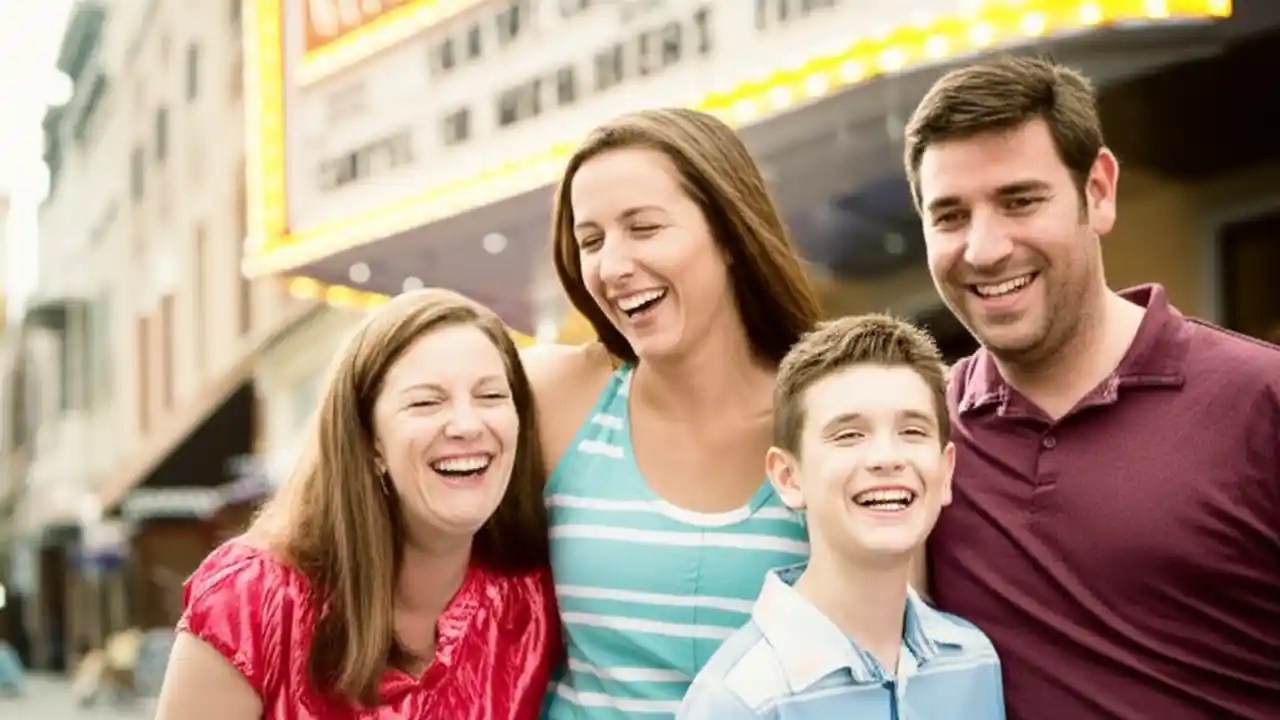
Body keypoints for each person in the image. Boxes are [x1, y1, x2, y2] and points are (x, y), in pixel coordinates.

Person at [904, 54, 1280, 719]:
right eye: (950, 216)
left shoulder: (1262, 402)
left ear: (1098, 191)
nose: (985, 249)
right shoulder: (917, 435)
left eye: (1020, 200)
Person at [523, 107, 824, 717]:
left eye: (645, 227)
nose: (611, 267)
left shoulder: (830, 418)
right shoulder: (555, 395)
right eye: (591, 240)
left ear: (729, 235)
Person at [153, 289, 560, 720]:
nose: (466, 424)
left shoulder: (535, 603)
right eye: (426, 402)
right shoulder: (253, 599)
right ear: (370, 443)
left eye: (491, 396)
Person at [677, 315, 1005, 719]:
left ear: (946, 471)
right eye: (849, 435)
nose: (887, 458)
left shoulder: (973, 662)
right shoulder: (739, 700)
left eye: (913, 431)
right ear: (788, 476)